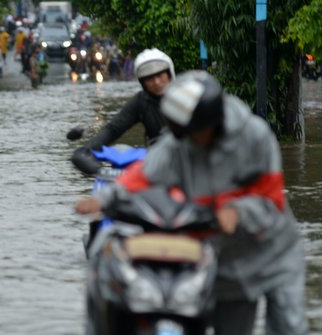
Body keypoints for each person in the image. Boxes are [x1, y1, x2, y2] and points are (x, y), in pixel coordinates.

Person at [76, 71, 308, 335]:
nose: (188, 140)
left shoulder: (255, 137)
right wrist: (103, 200)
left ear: (212, 121)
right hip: (222, 260)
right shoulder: (179, 142)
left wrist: (237, 211)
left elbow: (271, 199)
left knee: (290, 325)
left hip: (272, 251)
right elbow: (141, 177)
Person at [73, 48, 174, 161]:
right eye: (149, 78)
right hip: (159, 163)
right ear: (142, 82)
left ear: (169, 74)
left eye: (160, 75)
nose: (156, 82)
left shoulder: (187, 93)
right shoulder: (141, 101)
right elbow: (113, 129)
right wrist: (87, 151)